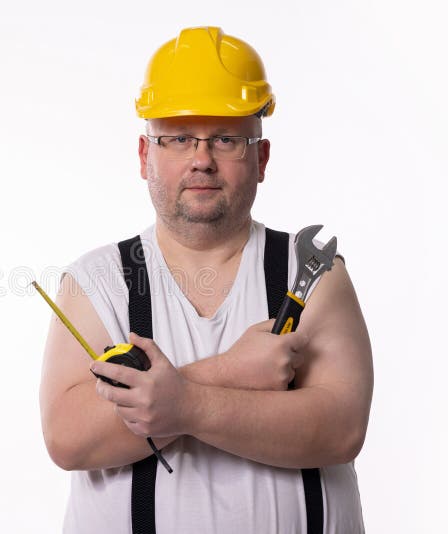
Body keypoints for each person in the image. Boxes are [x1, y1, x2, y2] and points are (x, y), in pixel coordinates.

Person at [39, 26, 373, 533]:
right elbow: (69, 438)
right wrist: (223, 374)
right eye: (177, 137)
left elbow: (341, 427)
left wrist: (183, 404)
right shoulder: (96, 281)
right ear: (145, 155)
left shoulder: (315, 274)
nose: (201, 159)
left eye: (225, 138)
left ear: (260, 159)